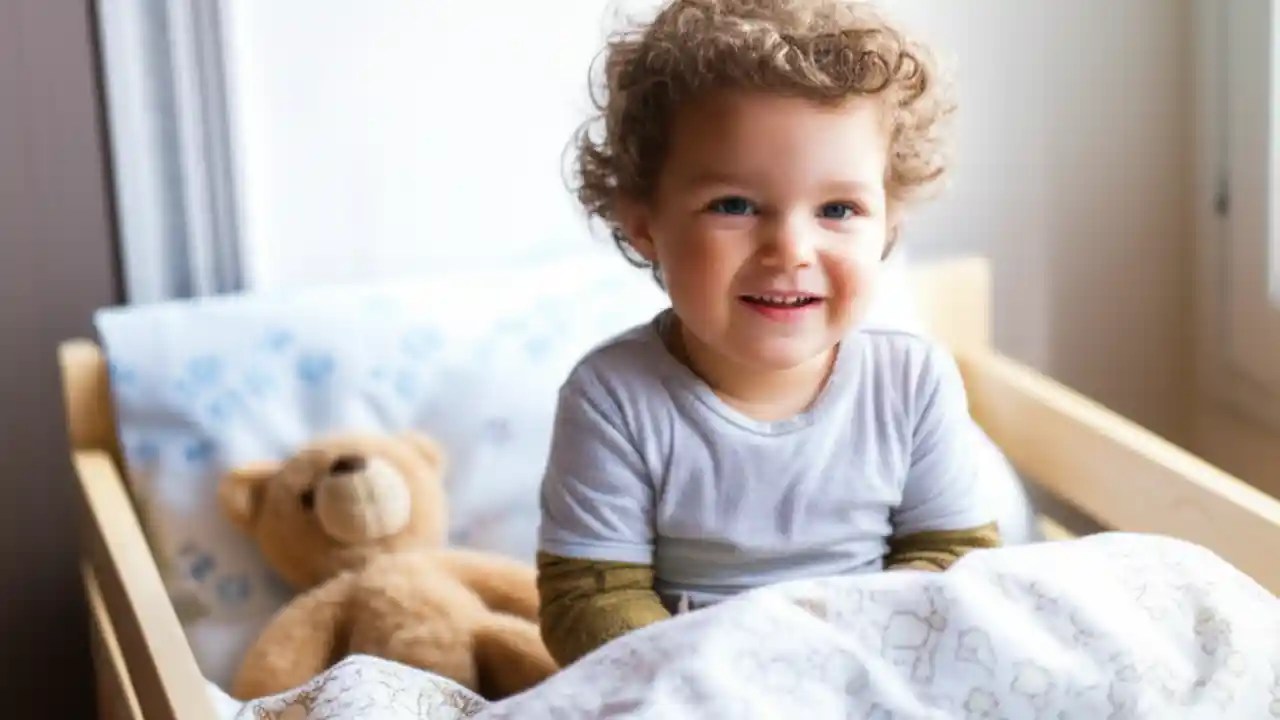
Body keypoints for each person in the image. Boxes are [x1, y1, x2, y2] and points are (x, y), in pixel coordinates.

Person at [536, 0, 1000, 668]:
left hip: (877, 670)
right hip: (689, 688)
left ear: (888, 225)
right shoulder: (612, 397)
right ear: (645, 223)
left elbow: (955, 562)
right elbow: (591, 601)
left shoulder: (913, 383)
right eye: (734, 205)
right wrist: (729, 678)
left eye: (838, 209)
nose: (790, 250)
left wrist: (841, 661)